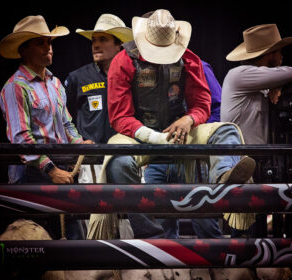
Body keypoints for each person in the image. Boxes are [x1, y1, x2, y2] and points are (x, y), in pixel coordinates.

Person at [102, 9, 256, 239]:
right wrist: (155, 138)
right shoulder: (123, 61)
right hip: (139, 137)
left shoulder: (189, 58)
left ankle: (224, 180)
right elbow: (119, 116)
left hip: (181, 133)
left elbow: (203, 103)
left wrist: (189, 119)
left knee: (226, 131)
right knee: (117, 162)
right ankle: (150, 234)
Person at [0, 15, 93, 240]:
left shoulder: (55, 83)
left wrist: (80, 144)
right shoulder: (15, 87)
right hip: (34, 173)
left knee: (72, 236)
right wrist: (51, 170)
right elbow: (21, 138)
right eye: (40, 42)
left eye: (49, 42)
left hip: (60, 169)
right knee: (37, 239)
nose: (48, 48)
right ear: (24, 50)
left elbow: (66, 123)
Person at [221, 23, 292, 236]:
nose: (282, 56)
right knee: (247, 226)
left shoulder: (254, 79)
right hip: (241, 159)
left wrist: (279, 85)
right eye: (279, 51)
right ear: (269, 54)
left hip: (257, 159)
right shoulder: (240, 74)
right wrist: (281, 80)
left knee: (256, 224)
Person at [143, 60, 223, 239]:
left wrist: (193, 125)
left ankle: (215, 264)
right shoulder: (145, 68)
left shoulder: (197, 65)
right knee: (163, 227)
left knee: (205, 222)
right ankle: (168, 266)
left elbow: (216, 108)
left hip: (193, 155)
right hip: (158, 156)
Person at [64, 14, 133, 183]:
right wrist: (76, 144)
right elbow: (64, 117)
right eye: (94, 40)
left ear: (119, 45)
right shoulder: (77, 78)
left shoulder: (132, 76)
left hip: (124, 158)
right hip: (89, 161)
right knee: (93, 208)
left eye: (103, 39)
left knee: (126, 206)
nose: (96, 45)